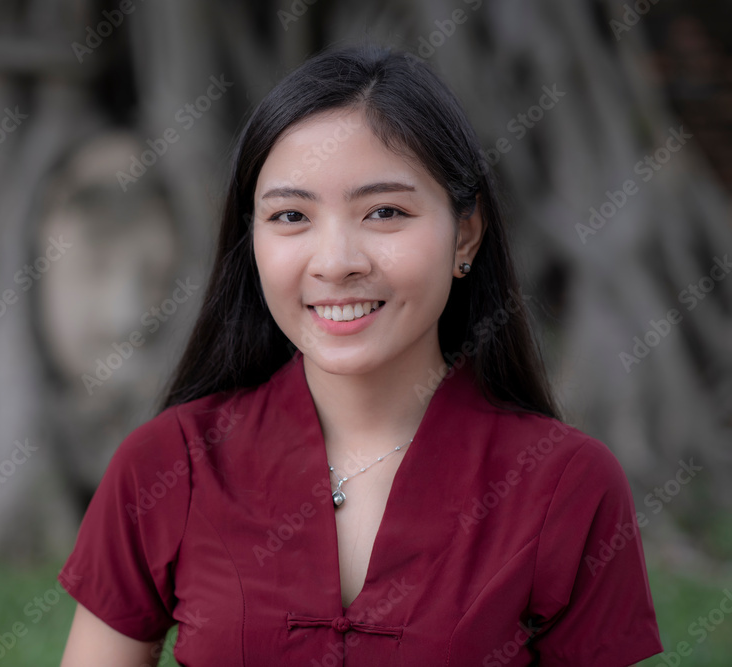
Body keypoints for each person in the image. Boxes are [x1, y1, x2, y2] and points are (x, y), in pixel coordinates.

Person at [57, 43, 663, 666]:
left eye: (384, 212)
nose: (336, 261)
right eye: (291, 215)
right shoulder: (166, 466)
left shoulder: (566, 485)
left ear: (466, 234)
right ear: (253, 241)